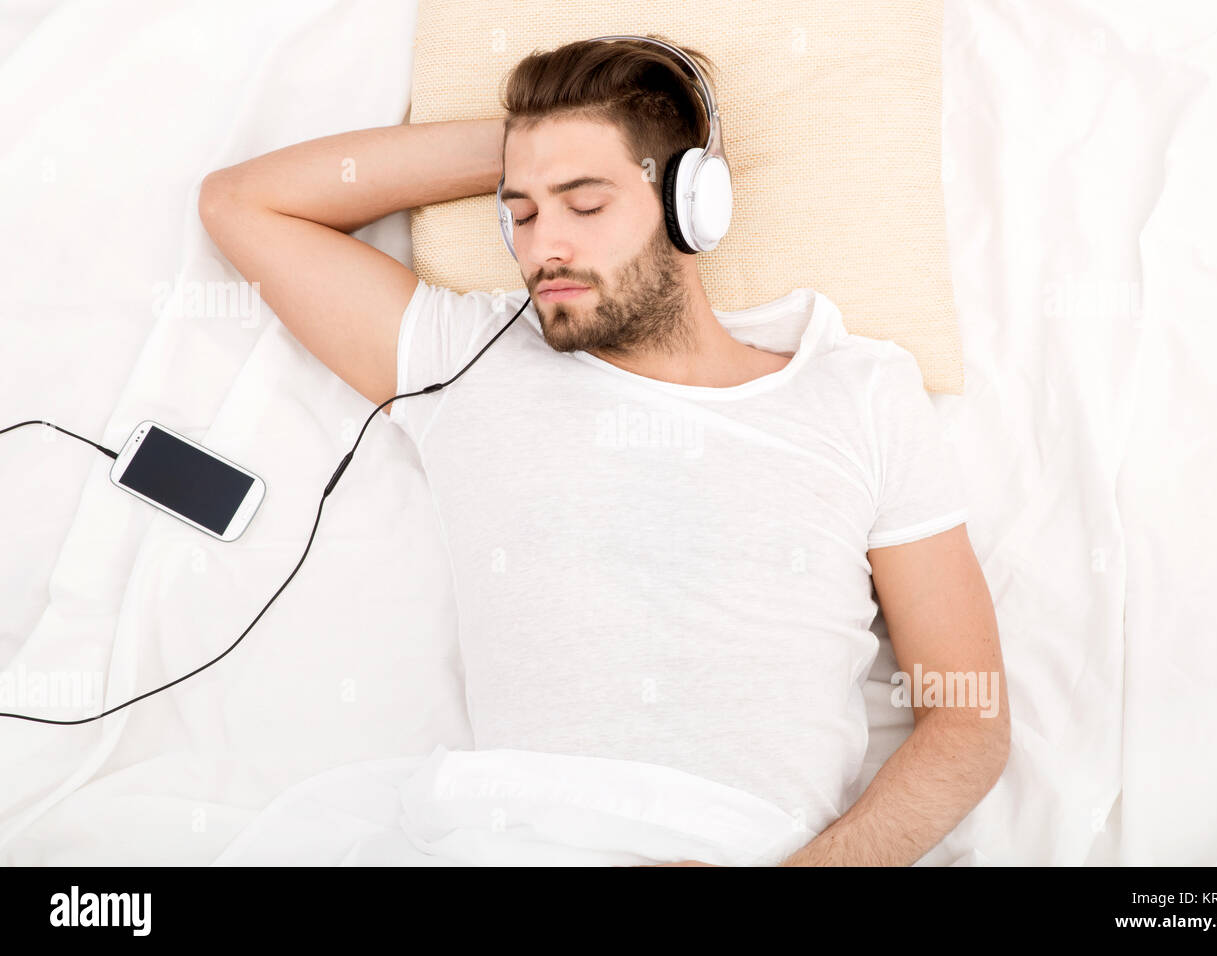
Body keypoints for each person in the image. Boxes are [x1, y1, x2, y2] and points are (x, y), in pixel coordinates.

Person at [197, 34, 1009, 866]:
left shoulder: (859, 394)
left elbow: (969, 720)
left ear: (696, 202)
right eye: (519, 213)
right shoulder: (469, 362)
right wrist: (529, 150)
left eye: (586, 206)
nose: (545, 246)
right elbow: (241, 205)